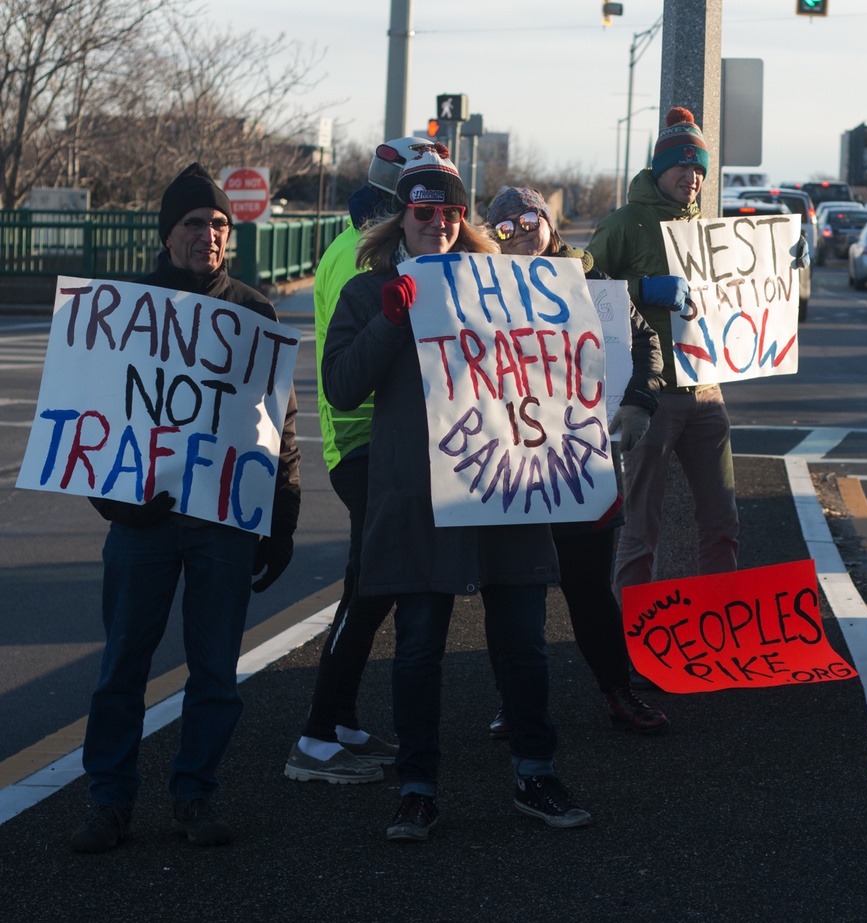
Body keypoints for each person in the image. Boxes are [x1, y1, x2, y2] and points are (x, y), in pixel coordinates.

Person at [322, 147, 590, 842]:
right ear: (402, 217)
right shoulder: (365, 291)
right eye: (423, 211)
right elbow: (342, 385)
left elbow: (564, 359)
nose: (438, 223)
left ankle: (536, 771)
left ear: (464, 218)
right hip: (420, 494)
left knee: (523, 643)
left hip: (504, 485)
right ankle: (417, 787)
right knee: (416, 646)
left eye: (450, 212)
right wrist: (389, 319)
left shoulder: (507, 285)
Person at [69, 163, 301, 853]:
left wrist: (281, 519)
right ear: (168, 233)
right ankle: (109, 802)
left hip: (224, 523)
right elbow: (92, 415)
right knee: (121, 671)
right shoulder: (127, 307)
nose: (210, 235)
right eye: (196, 223)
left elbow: (278, 425)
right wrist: (117, 503)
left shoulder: (255, 312)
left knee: (215, 673)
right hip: (142, 525)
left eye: (220, 224)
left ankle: (194, 795)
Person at [482, 187, 667, 736]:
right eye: (504, 226)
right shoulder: (479, 292)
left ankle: (618, 692)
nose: (518, 230)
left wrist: (639, 402)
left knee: (588, 590)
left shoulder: (595, 288)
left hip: (581, 462)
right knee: (516, 596)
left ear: (549, 221)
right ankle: (512, 702)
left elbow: (645, 342)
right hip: (510, 464)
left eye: (528, 218)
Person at [283, 138, 434, 786]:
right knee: (371, 588)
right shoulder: (367, 258)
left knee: (368, 584)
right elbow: (361, 361)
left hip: (375, 440)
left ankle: (339, 721)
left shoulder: (357, 243)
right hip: (365, 440)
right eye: (422, 197)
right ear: (401, 198)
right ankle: (316, 736)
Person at [586, 106, 740, 601]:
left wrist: (788, 255)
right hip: (652, 396)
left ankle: (719, 628)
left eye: (699, 168)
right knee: (639, 524)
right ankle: (632, 638)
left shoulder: (710, 230)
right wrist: (643, 288)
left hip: (707, 392)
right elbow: (584, 290)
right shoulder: (625, 224)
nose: (692, 177)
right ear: (659, 168)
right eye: (682, 166)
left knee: (722, 520)